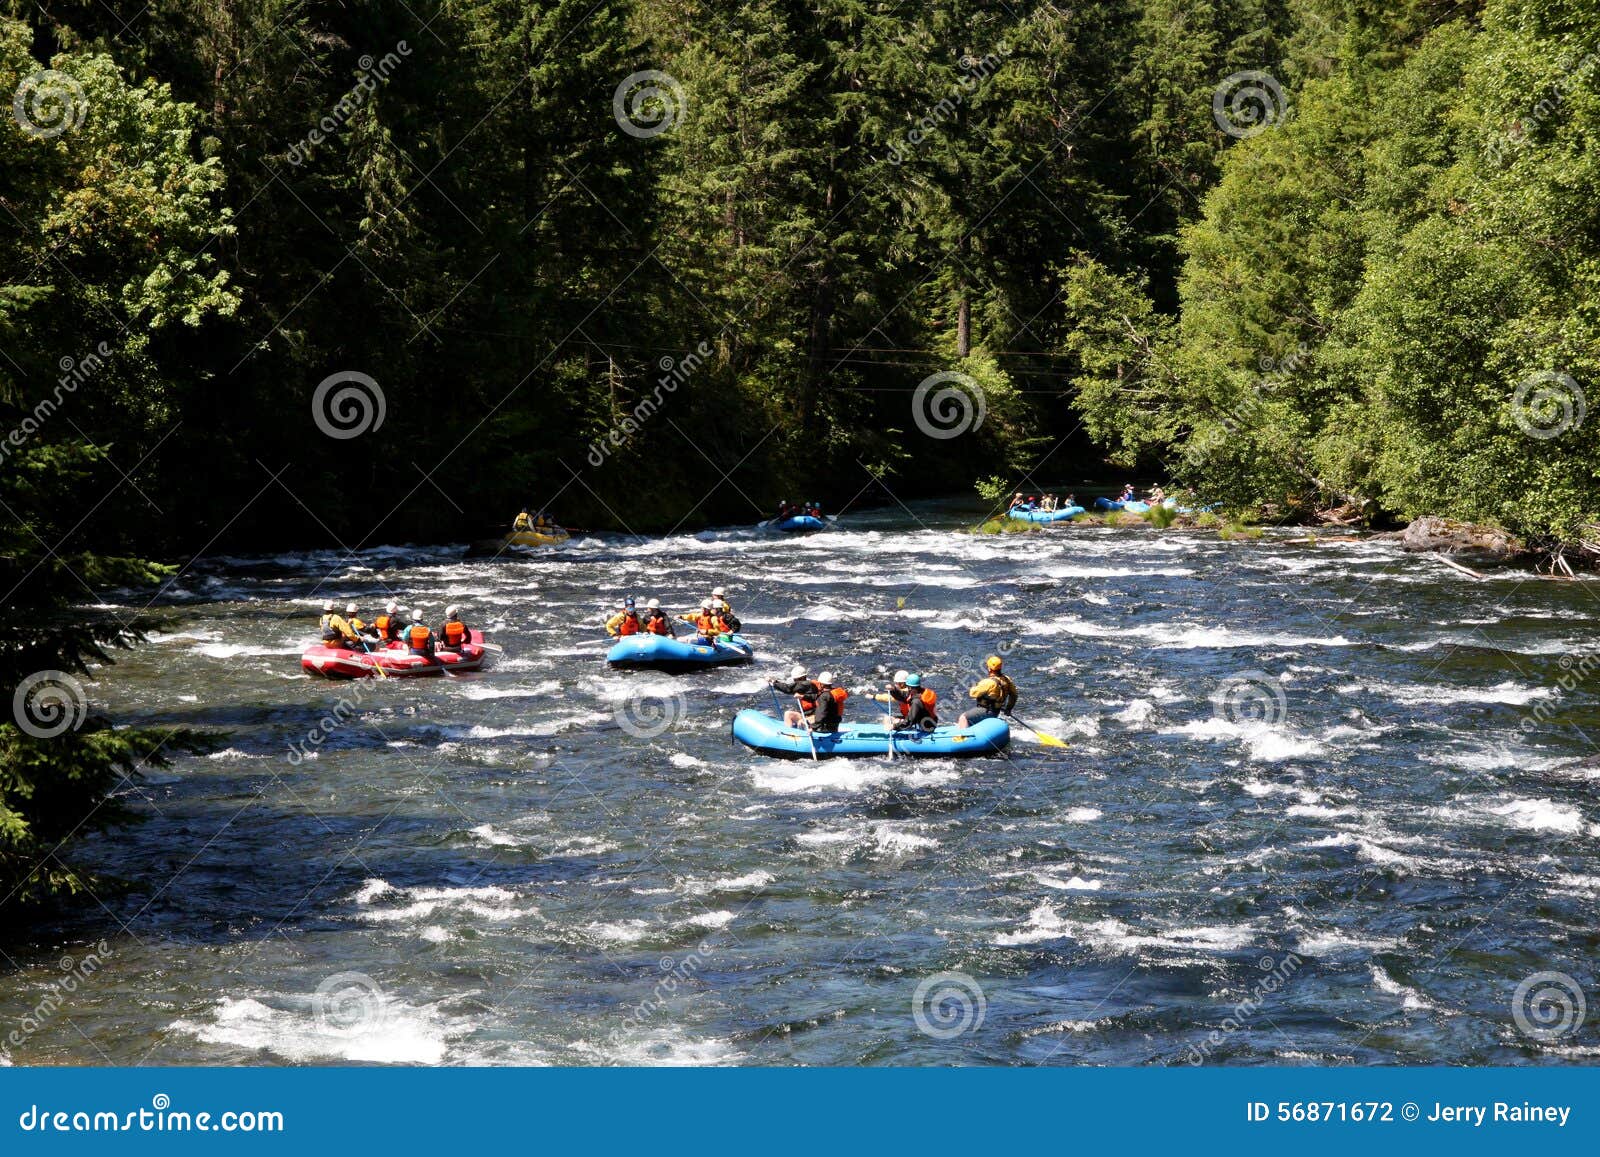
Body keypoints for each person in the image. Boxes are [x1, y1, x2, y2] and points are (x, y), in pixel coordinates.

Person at [771, 666, 847, 732]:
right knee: (788, 714)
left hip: (817, 718)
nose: (795, 682)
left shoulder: (807, 686)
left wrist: (774, 683)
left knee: (801, 722)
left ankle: (799, 740)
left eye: (795, 680)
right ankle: (789, 735)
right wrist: (802, 696)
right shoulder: (825, 692)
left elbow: (822, 713)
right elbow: (815, 697)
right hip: (811, 716)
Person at [866, 670, 939, 732]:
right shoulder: (918, 692)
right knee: (888, 718)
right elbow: (903, 695)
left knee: (895, 722)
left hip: (927, 727)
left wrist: (894, 726)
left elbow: (910, 721)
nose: (907, 688)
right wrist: (893, 689)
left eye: (907, 687)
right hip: (919, 720)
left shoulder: (917, 702)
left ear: (910, 687)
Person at [958, 655, 1018, 727]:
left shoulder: (988, 682)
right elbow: (1014, 695)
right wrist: (1008, 709)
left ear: (989, 669)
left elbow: (972, 693)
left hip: (986, 711)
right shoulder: (1007, 679)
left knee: (963, 717)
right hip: (996, 711)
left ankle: (962, 737)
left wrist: (975, 685)